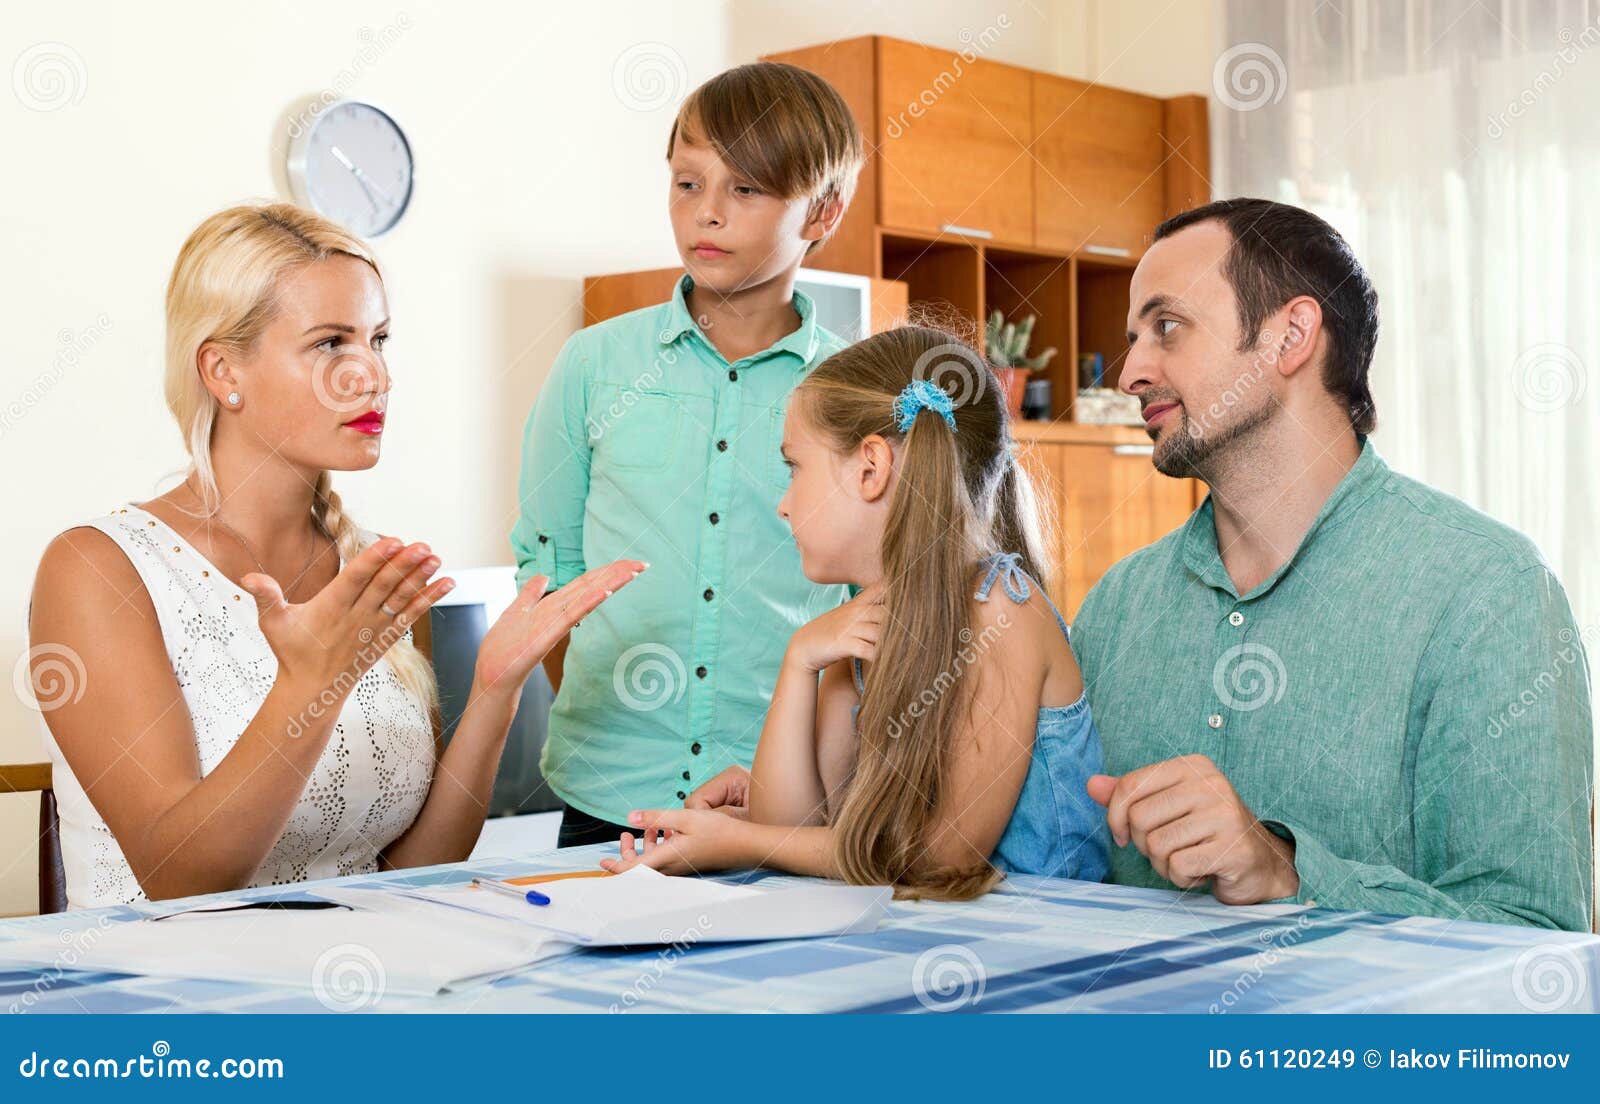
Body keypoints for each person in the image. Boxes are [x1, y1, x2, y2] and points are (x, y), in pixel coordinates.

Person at [24, 203, 643, 907]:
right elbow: (181, 880)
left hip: (350, 985)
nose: (372, 375)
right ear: (223, 370)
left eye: (378, 340)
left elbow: (412, 866)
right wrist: (311, 682)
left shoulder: (373, 567)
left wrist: (495, 694)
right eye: (329, 345)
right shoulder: (98, 569)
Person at [1071, 197, 1592, 930]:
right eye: (1134, 339)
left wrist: (1287, 873)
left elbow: (1537, 941)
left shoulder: (1490, 594)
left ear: (1291, 336)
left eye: (1167, 328)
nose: (1130, 373)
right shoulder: (1116, 606)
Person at [597, 327, 1110, 900]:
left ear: (871, 467)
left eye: (794, 467)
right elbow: (799, 825)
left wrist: (740, 843)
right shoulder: (861, 621)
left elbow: (941, 858)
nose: (783, 503)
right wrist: (800, 661)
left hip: (1051, 944)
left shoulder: (1002, 611)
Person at [511, 62, 866, 846]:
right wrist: (614, 732)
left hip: (785, 798)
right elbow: (549, 573)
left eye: (745, 190)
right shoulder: (592, 364)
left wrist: (811, 766)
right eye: (686, 184)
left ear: (824, 211)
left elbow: (874, 603)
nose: (707, 214)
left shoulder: (856, 391)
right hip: (606, 794)